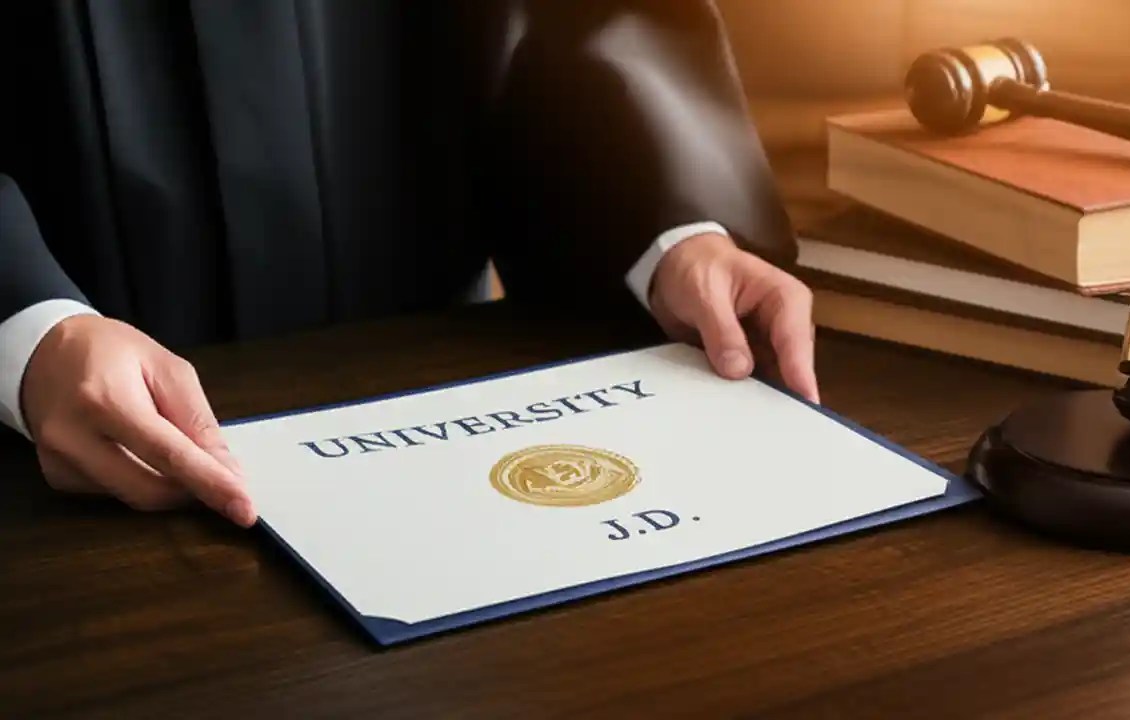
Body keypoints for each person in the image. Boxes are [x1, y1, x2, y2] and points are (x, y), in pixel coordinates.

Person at [0, 2, 818, 528]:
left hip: (442, 420)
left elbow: (573, 19)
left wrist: (665, 229)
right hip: (65, 488)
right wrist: (26, 325)